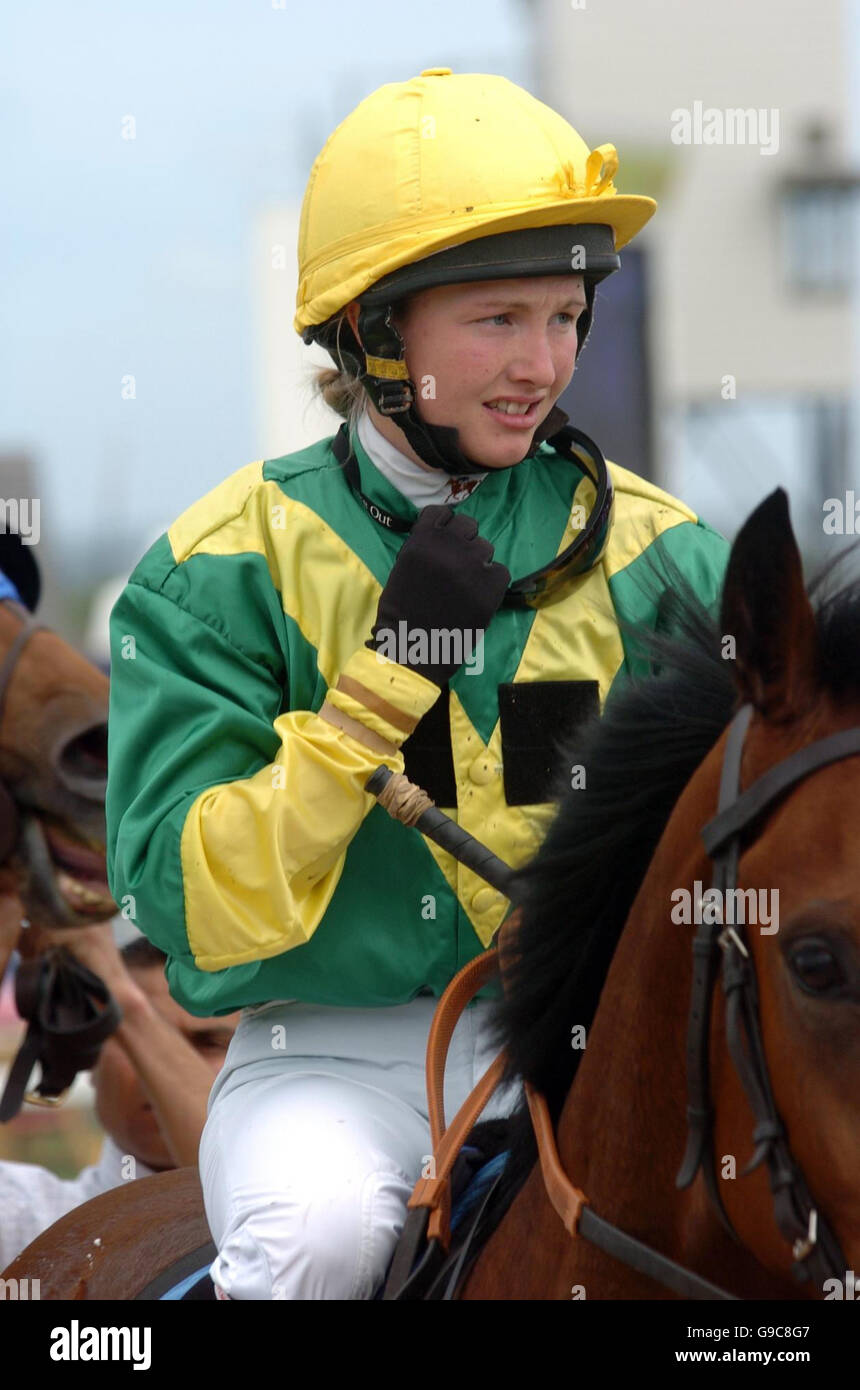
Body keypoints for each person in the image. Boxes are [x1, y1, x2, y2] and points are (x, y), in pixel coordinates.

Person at [105, 68, 730, 1300]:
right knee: (317, 1242)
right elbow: (191, 905)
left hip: (602, 1044)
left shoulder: (670, 557)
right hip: (328, 1060)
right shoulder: (211, 571)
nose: (539, 363)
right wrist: (383, 682)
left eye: (562, 317)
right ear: (375, 333)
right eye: (496, 319)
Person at [0, 918, 239, 1272]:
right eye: (130, 1041)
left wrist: (119, 999)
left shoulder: (323, 1222)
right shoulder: (26, 1222)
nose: (155, 1072)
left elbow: (243, 1206)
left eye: (207, 1043)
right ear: (89, 1059)